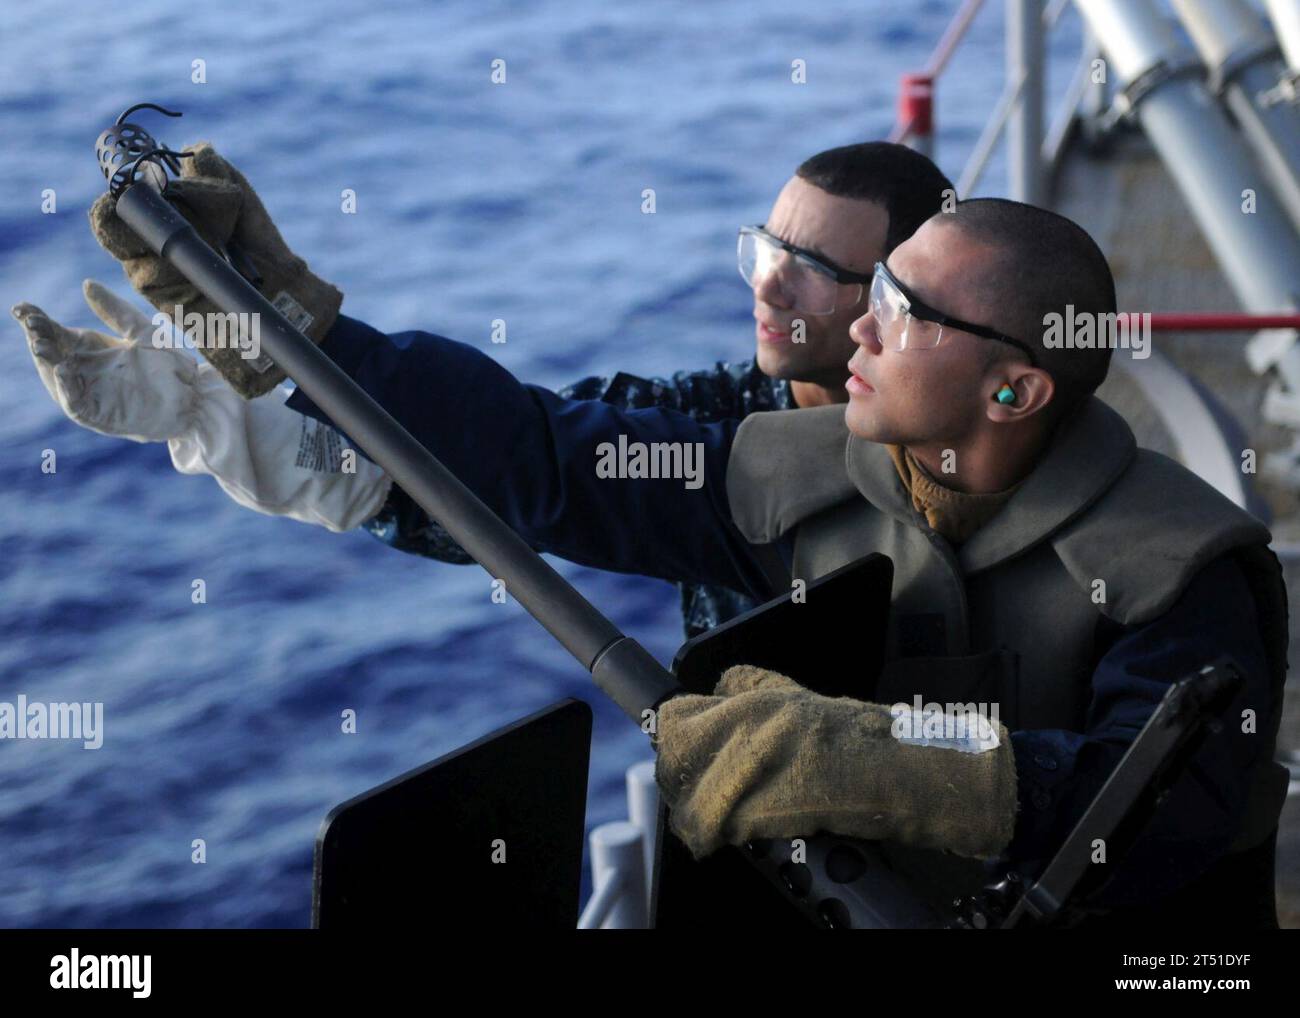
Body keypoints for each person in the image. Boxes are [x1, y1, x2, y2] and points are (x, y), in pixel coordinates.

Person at [19, 149, 1288, 927]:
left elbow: (1162, 811)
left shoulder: (1181, 566)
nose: (842, 325)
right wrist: (294, 327)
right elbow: (536, 459)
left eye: (894, 307)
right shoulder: (785, 466)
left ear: (1012, 393)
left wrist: (875, 750)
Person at [357, 141, 956, 638]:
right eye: (767, 250)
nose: (769, 287)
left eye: (813, 270)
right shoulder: (707, 416)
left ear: (889, 298)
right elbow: (521, 465)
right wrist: (356, 480)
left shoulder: (957, 441)